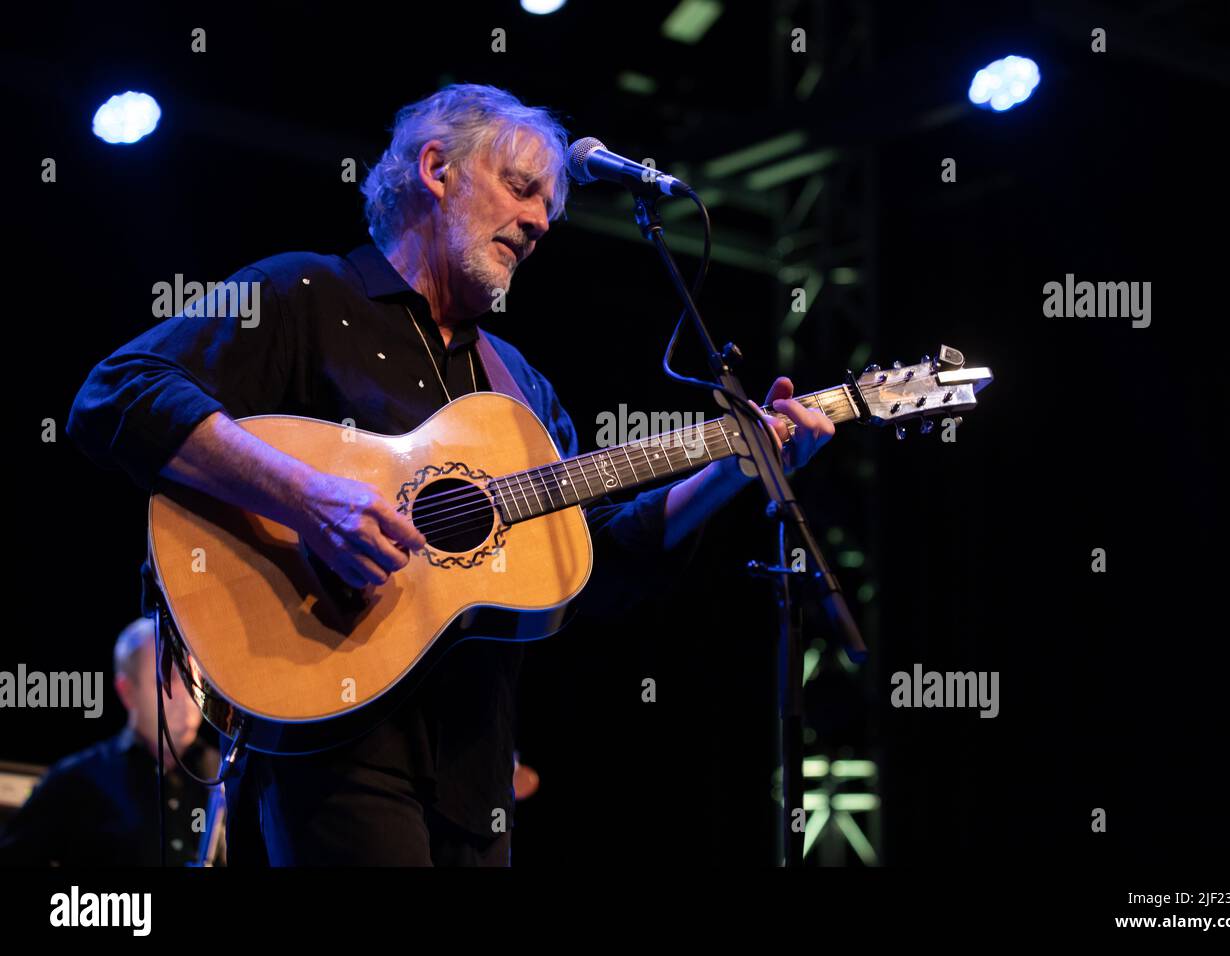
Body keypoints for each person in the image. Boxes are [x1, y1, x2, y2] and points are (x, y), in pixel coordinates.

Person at [65, 83, 835, 865]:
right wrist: (305, 498)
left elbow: (590, 559)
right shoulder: (305, 293)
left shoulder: (519, 387)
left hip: (475, 773)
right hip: (331, 746)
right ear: (436, 168)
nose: (538, 222)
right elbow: (117, 393)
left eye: (548, 208)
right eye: (520, 187)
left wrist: (742, 462)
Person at [0, 618, 224, 866]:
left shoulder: (228, 774)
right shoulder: (77, 780)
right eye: (167, 680)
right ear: (127, 691)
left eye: (191, 677)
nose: (186, 695)